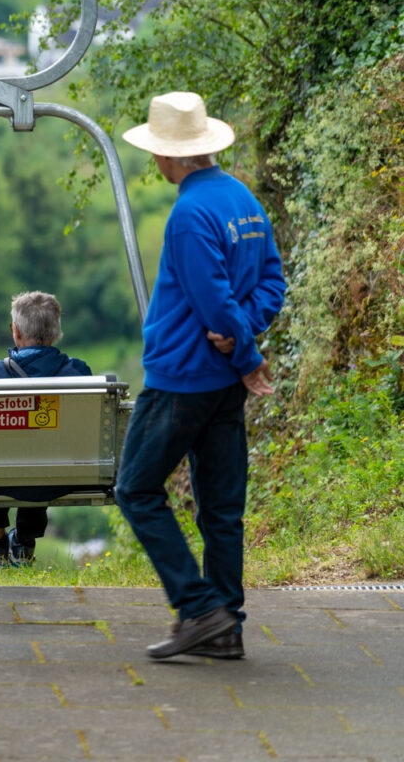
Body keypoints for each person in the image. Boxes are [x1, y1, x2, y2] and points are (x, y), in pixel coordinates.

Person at [117, 91, 286, 660]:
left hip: (181, 378)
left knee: (136, 488)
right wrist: (245, 336)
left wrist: (241, 348)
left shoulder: (189, 215)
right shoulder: (241, 199)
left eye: (158, 152)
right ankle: (227, 627)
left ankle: (196, 609)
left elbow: (212, 301)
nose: (155, 162)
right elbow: (273, 283)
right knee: (220, 508)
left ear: (172, 155)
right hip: (221, 388)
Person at [0, 291, 92, 567]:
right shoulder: (78, 372)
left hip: (4, 477)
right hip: (62, 476)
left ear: (15, 332)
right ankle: (24, 541)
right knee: (46, 448)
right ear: (56, 332)